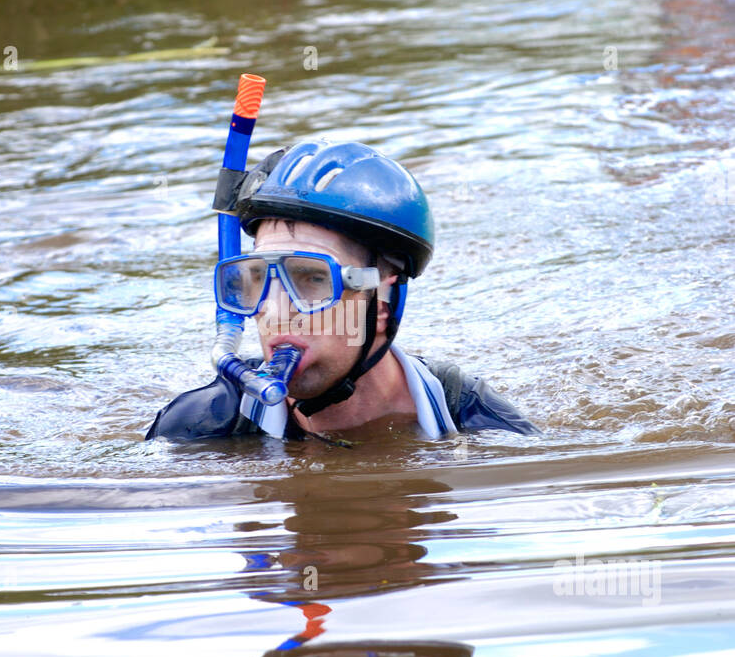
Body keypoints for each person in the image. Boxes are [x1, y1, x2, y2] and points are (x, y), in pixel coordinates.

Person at [145, 139, 538, 443]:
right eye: (260, 277)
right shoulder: (200, 427)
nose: (274, 310)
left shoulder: (475, 422)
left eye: (312, 279)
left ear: (382, 303)